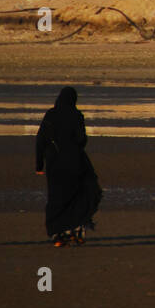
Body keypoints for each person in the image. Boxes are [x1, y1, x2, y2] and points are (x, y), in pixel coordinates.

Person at [35, 86, 102, 247]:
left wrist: (39, 165)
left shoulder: (51, 114)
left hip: (54, 163)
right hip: (74, 161)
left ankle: (57, 234)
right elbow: (81, 139)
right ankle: (76, 229)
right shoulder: (76, 115)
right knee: (80, 193)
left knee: (56, 197)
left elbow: (40, 140)